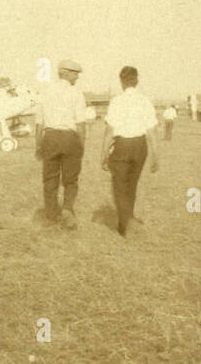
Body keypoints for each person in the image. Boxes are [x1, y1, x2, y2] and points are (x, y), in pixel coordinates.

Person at [33, 60, 92, 229]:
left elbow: (39, 123)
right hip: (70, 138)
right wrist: (81, 146)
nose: (77, 77)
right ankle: (67, 210)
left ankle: (51, 216)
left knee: (50, 178)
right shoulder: (76, 94)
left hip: (50, 138)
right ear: (65, 73)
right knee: (71, 179)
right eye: (75, 74)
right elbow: (80, 124)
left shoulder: (45, 92)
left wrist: (38, 145)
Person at [101, 65, 159, 237]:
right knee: (132, 183)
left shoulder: (116, 101)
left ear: (121, 82)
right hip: (140, 146)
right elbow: (152, 132)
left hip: (122, 145)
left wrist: (103, 154)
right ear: (137, 81)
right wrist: (156, 156)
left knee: (119, 185)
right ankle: (129, 216)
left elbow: (109, 131)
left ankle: (124, 221)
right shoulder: (145, 101)